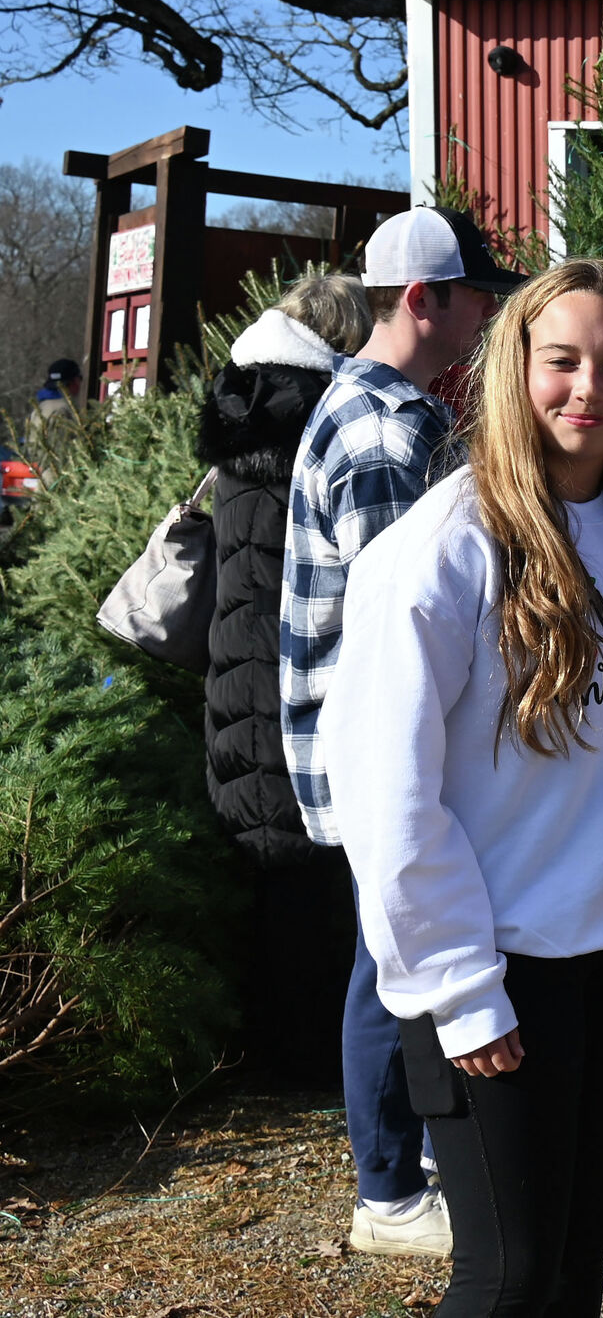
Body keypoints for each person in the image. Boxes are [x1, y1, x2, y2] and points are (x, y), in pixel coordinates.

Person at [322, 258, 603, 1314]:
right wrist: (459, 988)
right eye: (563, 361)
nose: (588, 387)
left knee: (574, 1269)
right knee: (506, 1279)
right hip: (502, 971)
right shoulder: (442, 550)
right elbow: (385, 790)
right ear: (512, 369)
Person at [280, 205, 523, 1257]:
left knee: (389, 945)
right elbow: (407, 630)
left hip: (349, 741)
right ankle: (388, 1193)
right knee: (392, 955)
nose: (486, 318)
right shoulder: (388, 432)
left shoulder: (370, 401)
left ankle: (405, 1164)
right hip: (370, 750)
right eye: (476, 297)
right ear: (424, 300)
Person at [197, 272, 373, 1087]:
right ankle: (306, 1064)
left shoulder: (240, 399)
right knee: (309, 880)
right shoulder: (315, 413)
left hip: (236, 664)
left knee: (270, 876)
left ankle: (271, 1050)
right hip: (287, 666)